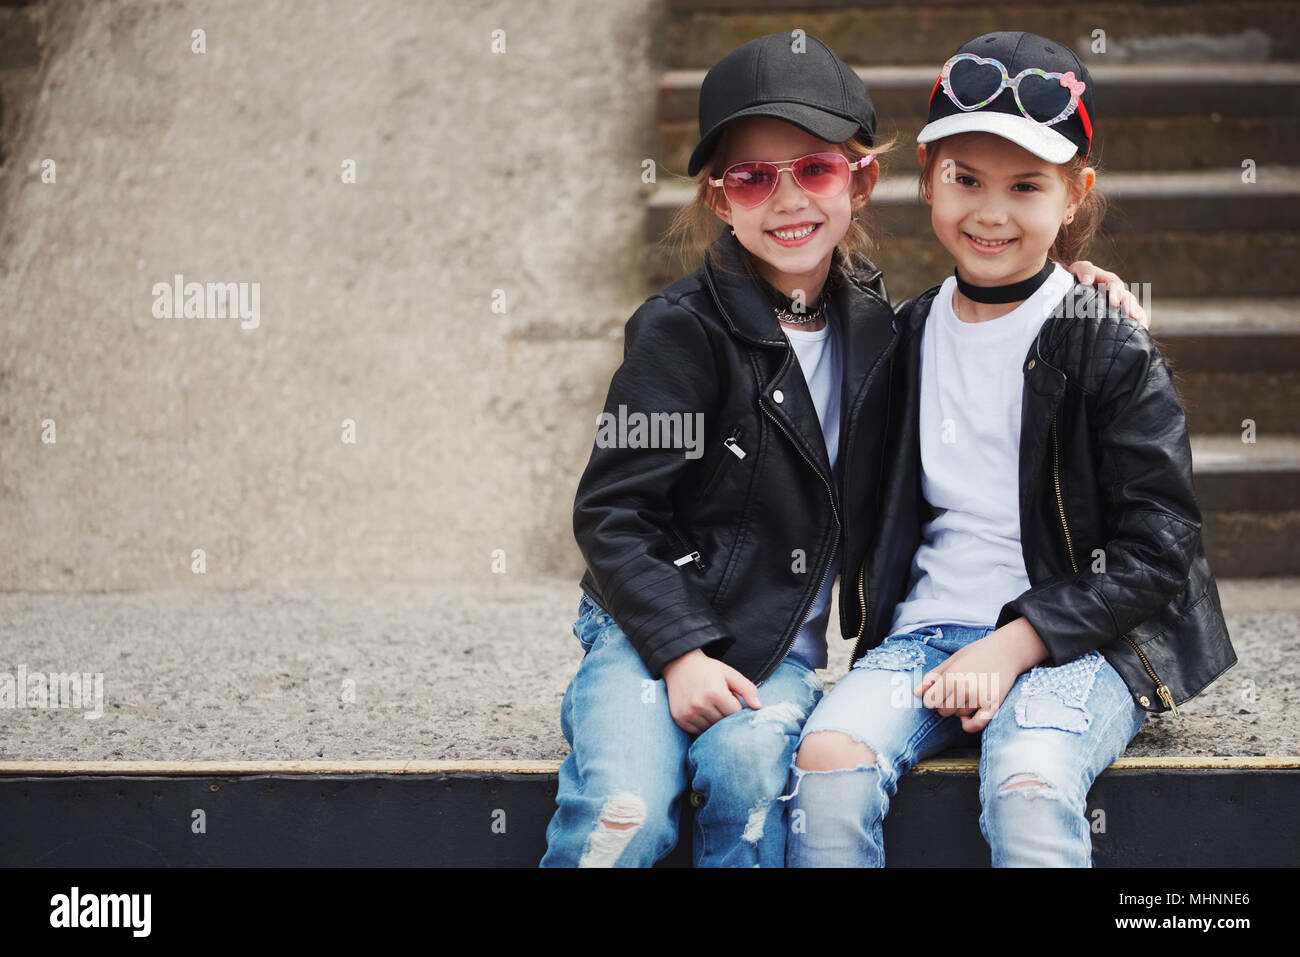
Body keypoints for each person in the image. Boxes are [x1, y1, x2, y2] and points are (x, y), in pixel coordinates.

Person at [541, 32, 1144, 868]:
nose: (787, 200)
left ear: (861, 182)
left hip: (777, 644)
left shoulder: (877, 327)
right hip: (650, 629)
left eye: (816, 170)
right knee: (626, 808)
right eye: (752, 177)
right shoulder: (680, 333)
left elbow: (1010, 314)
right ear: (719, 199)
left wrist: (1083, 282)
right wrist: (680, 649)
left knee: (755, 778)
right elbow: (613, 510)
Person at [784, 31, 1237, 867]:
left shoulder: (1105, 342)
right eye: (965, 180)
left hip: (1080, 640)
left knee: (1028, 777)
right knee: (827, 760)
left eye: (1026, 186)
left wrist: (1017, 641)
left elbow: (1159, 543)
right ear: (928, 183)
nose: (990, 212)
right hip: (924, 634)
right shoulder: (906, 333)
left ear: (1075, 195)